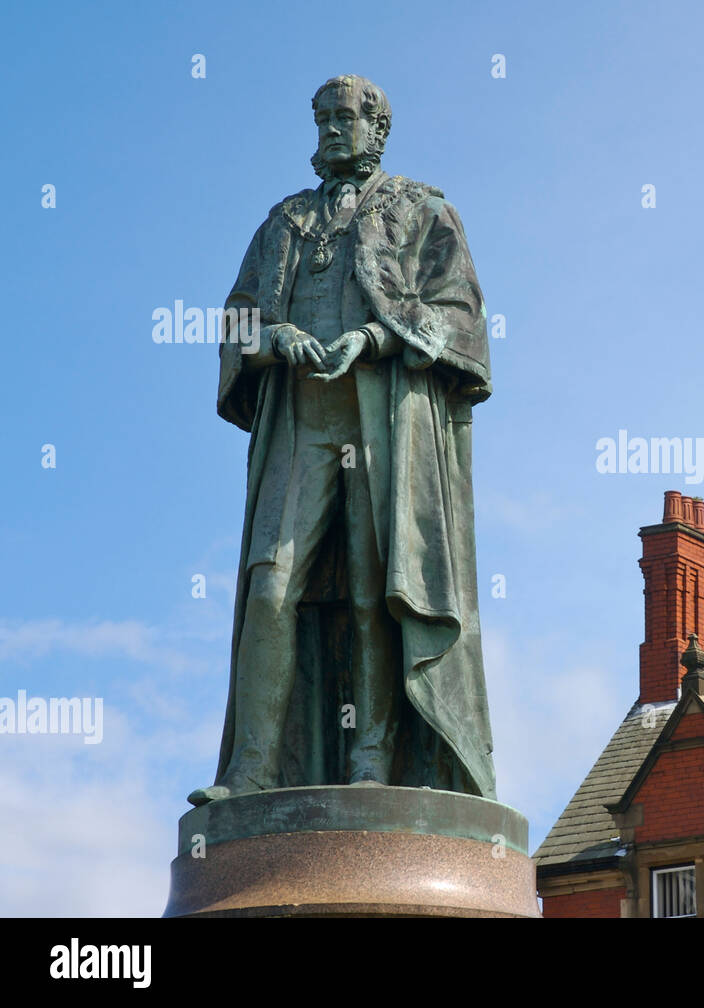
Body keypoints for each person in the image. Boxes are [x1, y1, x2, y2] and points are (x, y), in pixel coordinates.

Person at [189, 75, 494, 805]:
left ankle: (371, 760)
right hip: (302, 428)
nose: (330, 130)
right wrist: (274, 336)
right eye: (321, 118)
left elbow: (463, 318)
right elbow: (233, 322)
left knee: (373, 593)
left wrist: (374, 335)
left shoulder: (424, 210)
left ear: (377, 129)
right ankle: (252, 770)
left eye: (345, 118)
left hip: (384, 427)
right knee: (271, 586)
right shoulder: (282, 224)